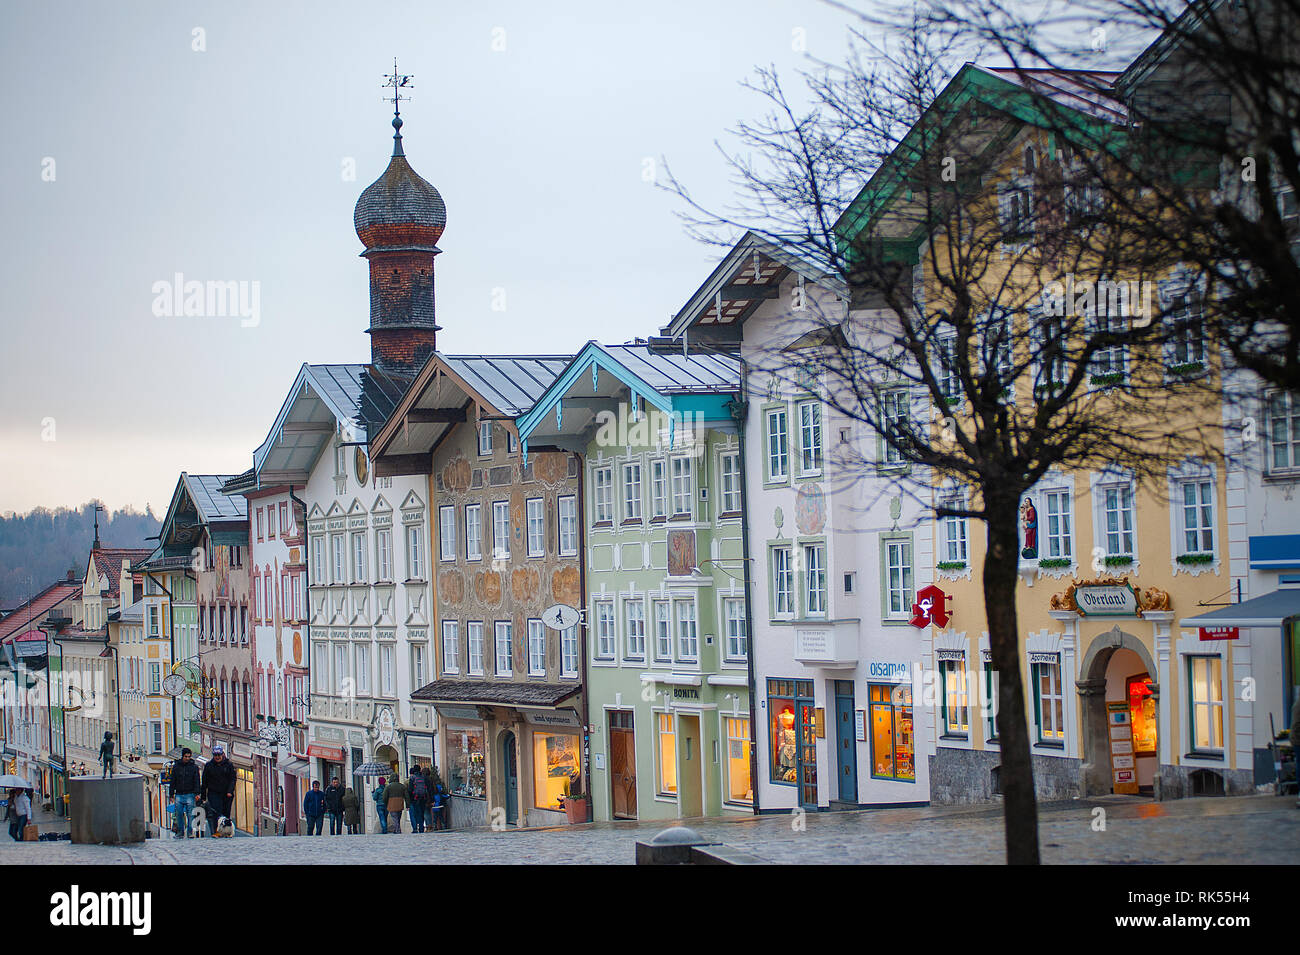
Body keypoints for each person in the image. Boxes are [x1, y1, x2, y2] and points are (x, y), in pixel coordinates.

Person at [200, 744, 237, 835]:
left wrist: (230, 791)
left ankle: (226, 831)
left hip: (226, 793)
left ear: (222, 754)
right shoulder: (209, 765)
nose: (217, 757)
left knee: (226, 813)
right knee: (216, 812)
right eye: (215, 755)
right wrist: (203, 796)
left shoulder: (228, 765)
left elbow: (233, 779)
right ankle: (216, 831)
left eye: (219, 755)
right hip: (214, 793)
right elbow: (204, 781)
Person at [168, 748, 202, 838]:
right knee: (179, 814)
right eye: (186, 756)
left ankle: (190, 832)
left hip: (190, 794)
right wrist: (171, 794)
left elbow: (197, 780)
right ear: (182, 756)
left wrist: (197, 793)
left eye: (189, 757)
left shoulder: (194, 767)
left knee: (190, 814)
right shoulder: (176, 767)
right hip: (179, 794)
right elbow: (173, 781)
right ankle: (180, 832)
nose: (187, 758)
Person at [407, 765, 428, 833]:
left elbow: (410, 789)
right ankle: (421, 828)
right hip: (423, 798)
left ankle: (416, 828)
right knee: (421, 813)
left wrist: (410, 800)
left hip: (415, 798)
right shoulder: (423, 777)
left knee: (415, 813)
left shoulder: (412, 778)